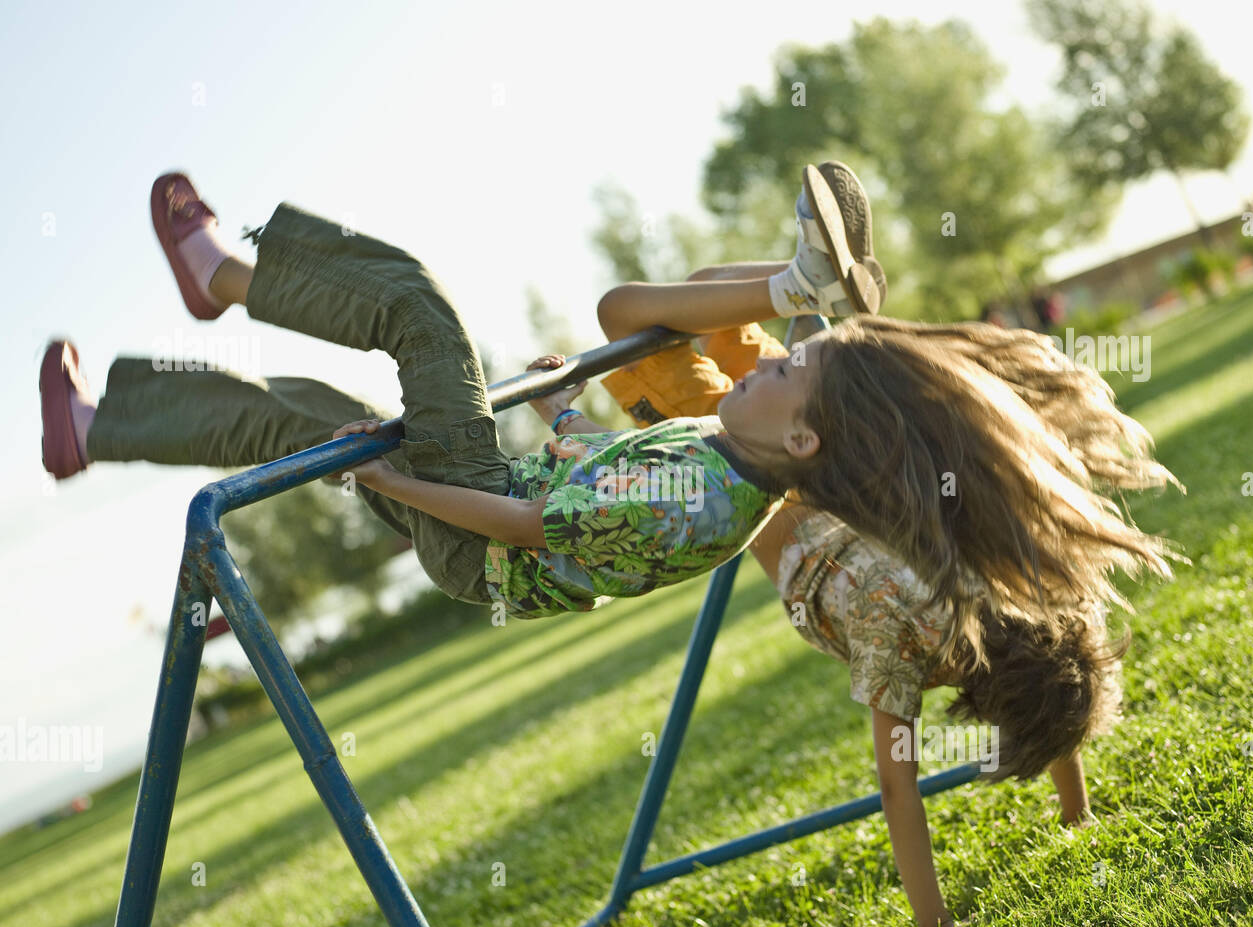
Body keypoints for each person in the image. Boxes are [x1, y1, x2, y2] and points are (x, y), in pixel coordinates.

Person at [549, 249, 1183, 927]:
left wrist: (1079, 809)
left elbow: (1057, 664)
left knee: (707, 299)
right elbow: (897, 789)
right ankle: (797, 282)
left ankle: (801, 278)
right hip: (753, 468)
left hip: (832, 452)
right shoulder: (901, 640)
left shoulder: (990, 583)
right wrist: (935, 925)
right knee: (622, 313)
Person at [38, 164, 879, 618]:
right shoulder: (720, 464)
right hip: (481, 534)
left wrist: (391, 480)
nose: (763, 365)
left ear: (800, 441)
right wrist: (559, 411)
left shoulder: (701, 494)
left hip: (484, 533)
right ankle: (97, 427)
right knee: (308, 419)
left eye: (779, 373)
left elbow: (527, 524)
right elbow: (600, 480)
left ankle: (221, 276)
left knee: (417, 309)